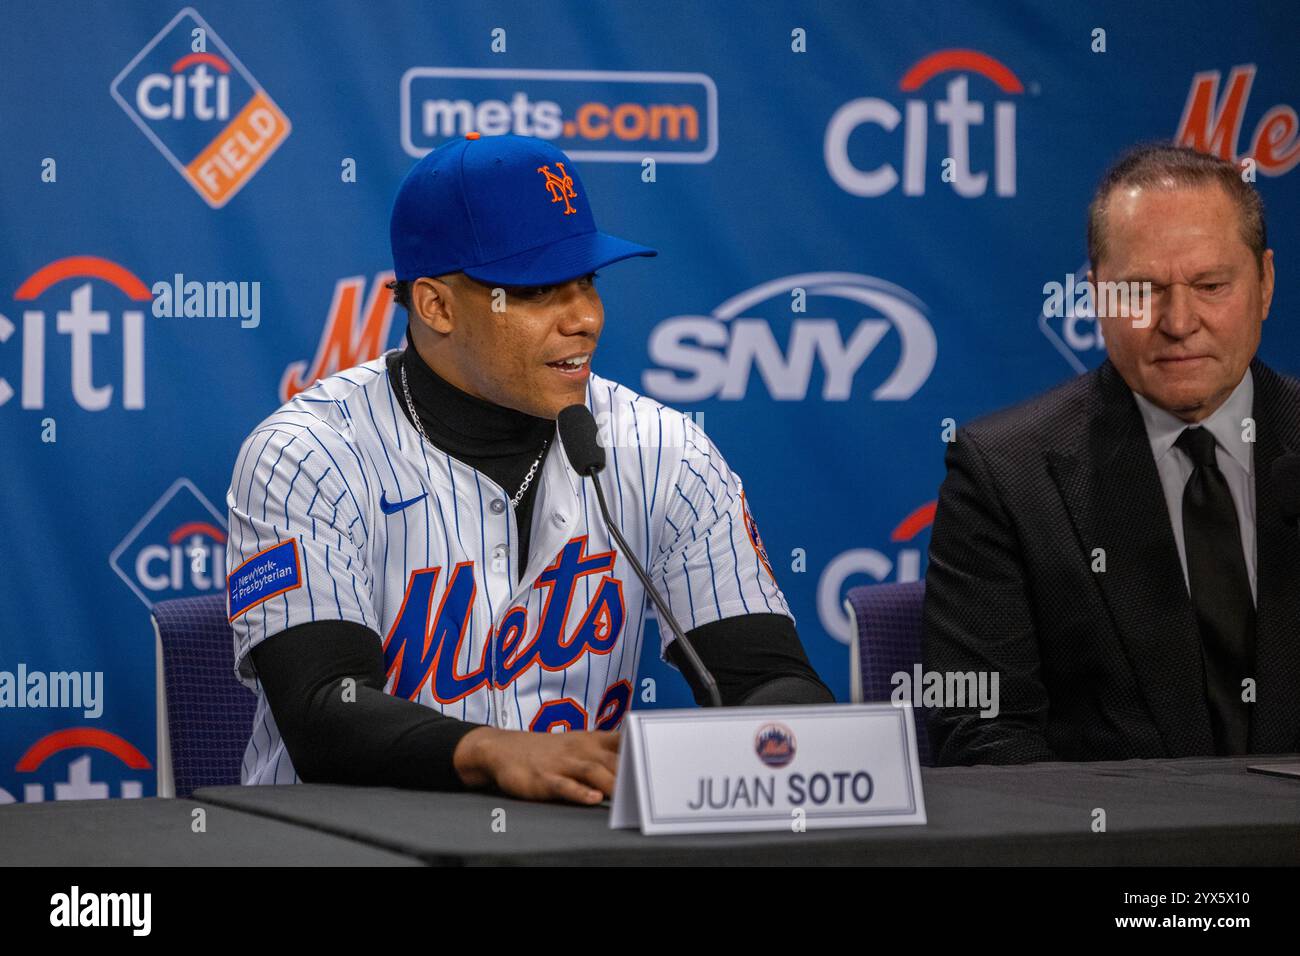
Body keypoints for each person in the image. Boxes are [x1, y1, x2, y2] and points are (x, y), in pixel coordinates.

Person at [225, 132, 832, 804]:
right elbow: (323, 710)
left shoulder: (665, 449)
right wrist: (490, 752)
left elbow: (766, 680)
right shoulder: (307, 454)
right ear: (436, 306)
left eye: (588, 282)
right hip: (339, 849)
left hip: (573, 851)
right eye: (541, 290)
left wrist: (775, 742)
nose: (586, 318)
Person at [923, 143, 1300, 764]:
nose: (1179, 321)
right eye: (1143, 290)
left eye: (1210, 285)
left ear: (1264, 284)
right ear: (1097, 295)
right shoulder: (1003, 475)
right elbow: (983, 733)